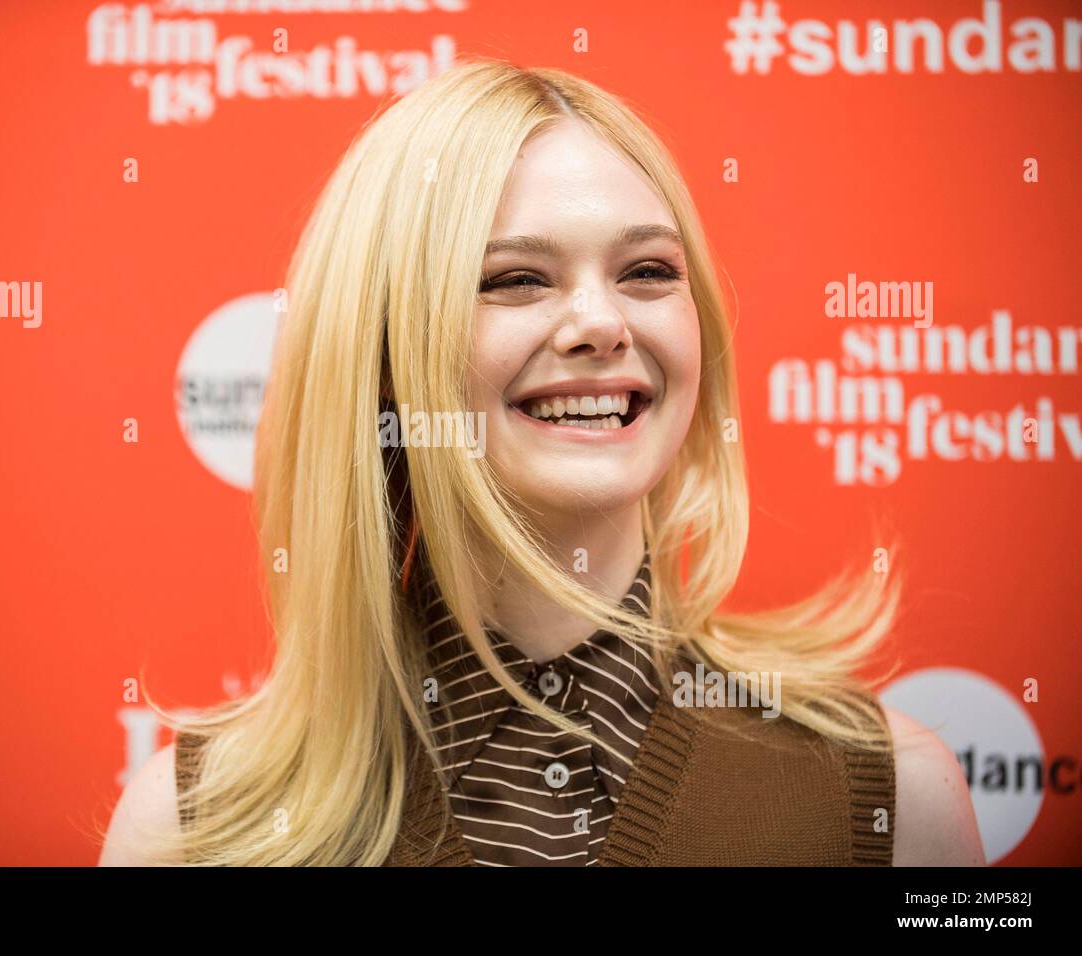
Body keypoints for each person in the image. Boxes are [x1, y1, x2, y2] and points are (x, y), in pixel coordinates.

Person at [99, 58, 985, 867]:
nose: (603, 322)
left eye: (646, 271)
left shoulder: (893, 800)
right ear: (379, 358)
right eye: (516, 279)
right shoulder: (192, 827)